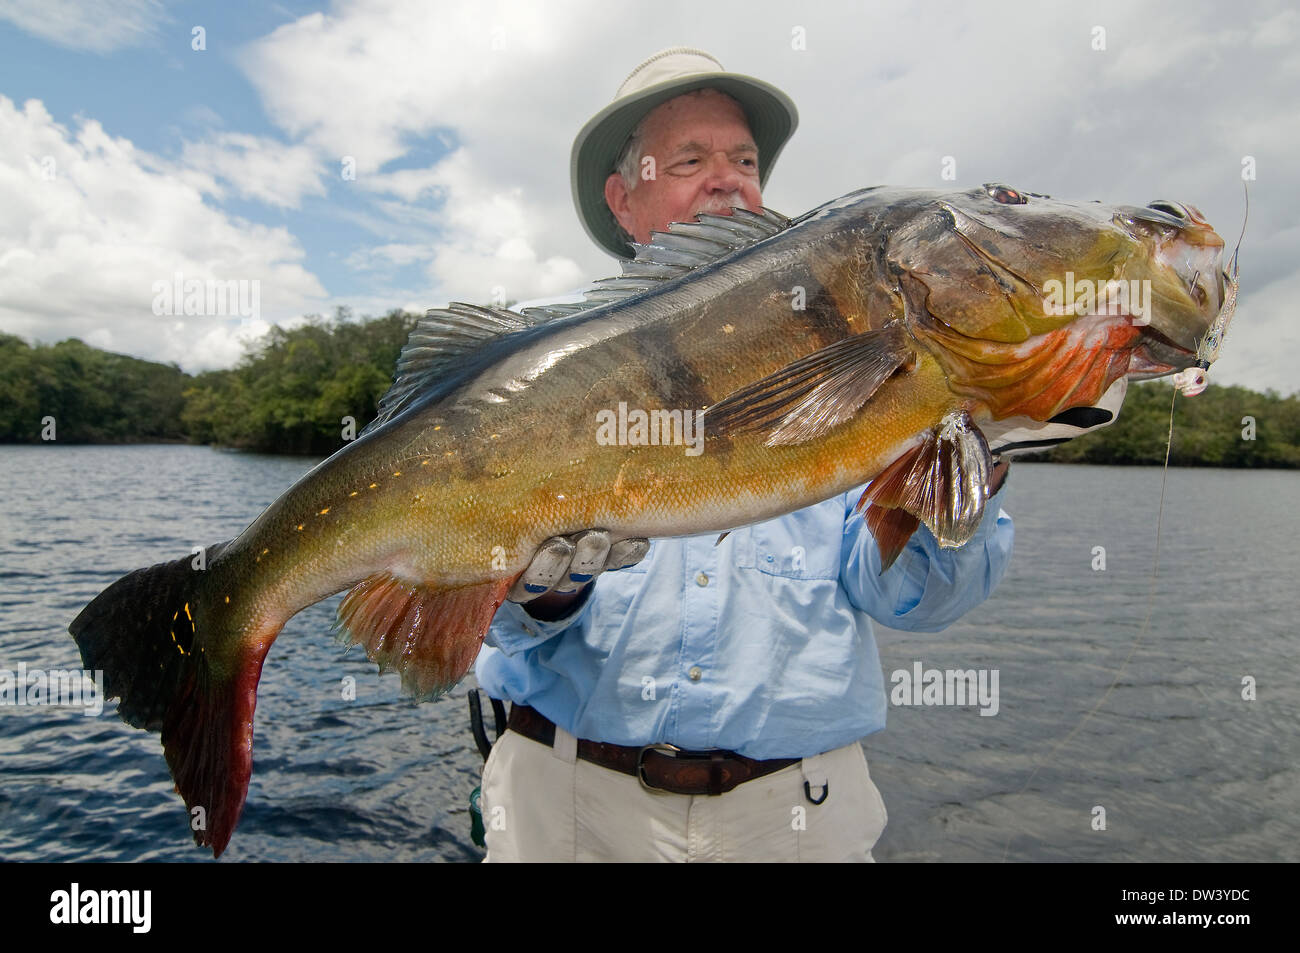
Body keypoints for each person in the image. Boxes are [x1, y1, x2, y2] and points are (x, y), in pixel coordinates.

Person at [472, 48, 1014, 862]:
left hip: (797, 815)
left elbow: (911, 597)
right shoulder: (538, 391)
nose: (729, 179)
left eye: (746, 160)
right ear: (624, 199)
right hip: (568, 808)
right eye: (691, 159)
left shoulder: (863, 360)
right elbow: (490, 626)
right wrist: (542, 597)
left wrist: (979, 452)